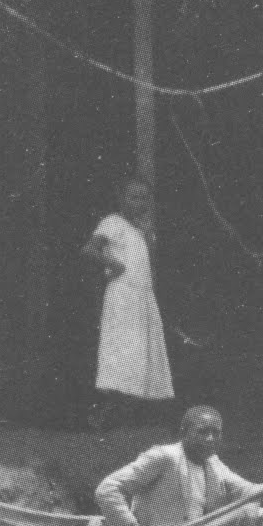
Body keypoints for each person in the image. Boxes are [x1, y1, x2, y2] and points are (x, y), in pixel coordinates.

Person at [94, 405, 263, 526]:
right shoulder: (164, 457)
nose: (210, 439)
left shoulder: (213, 463)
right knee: (248, 515)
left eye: (216, 433)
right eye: (203, 432)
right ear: (184, 433)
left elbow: (249, 492)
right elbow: (107, 488)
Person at [81, 177, 174, 430]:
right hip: (123, 296)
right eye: (133, 196)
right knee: (122, 351)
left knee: (141, 352)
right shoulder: (112, 222)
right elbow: (90, 249)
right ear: (121, 198)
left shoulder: (140, 230)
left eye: (144, 197)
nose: (139, 202)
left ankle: (127, 416)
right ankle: (104, 414)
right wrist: (113, 264)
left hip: (141, 297)